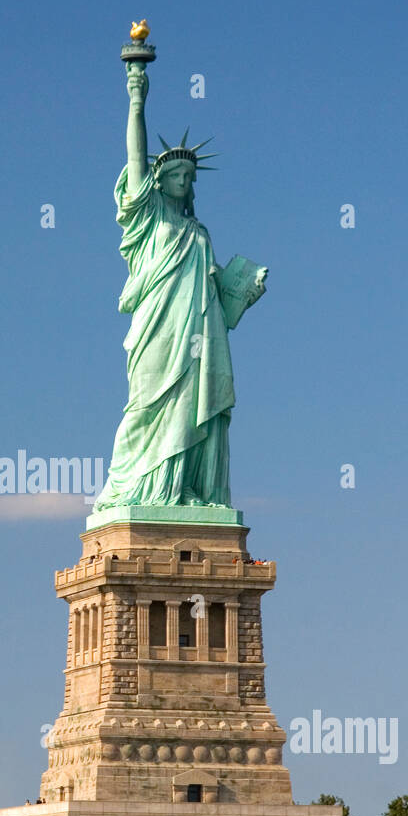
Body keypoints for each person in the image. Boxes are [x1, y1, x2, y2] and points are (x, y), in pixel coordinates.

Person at [92, 51, 267, 514]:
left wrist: (243, 291)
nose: (185, 181)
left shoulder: (199, 232)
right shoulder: (148, 220)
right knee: (146, 405)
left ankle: (186, 490)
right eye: (176, 175)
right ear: (161, 180)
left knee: (193, 405)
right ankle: (137, 488)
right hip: (158, 329)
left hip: (199, 335)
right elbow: (135, 159)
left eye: (190, 176)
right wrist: (137, 98)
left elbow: (216, 298)